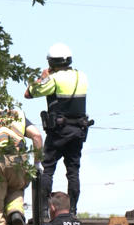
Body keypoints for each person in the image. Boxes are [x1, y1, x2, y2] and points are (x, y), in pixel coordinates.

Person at [24, 43, 91, 215]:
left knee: (47, 168)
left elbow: (29, 93)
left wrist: (43, 77)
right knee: (73, 171)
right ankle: (73, 209)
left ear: (51, 63)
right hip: (78, 132)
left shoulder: (54, 79)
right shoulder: (81, 76)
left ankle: (45, 209)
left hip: (59, 132)